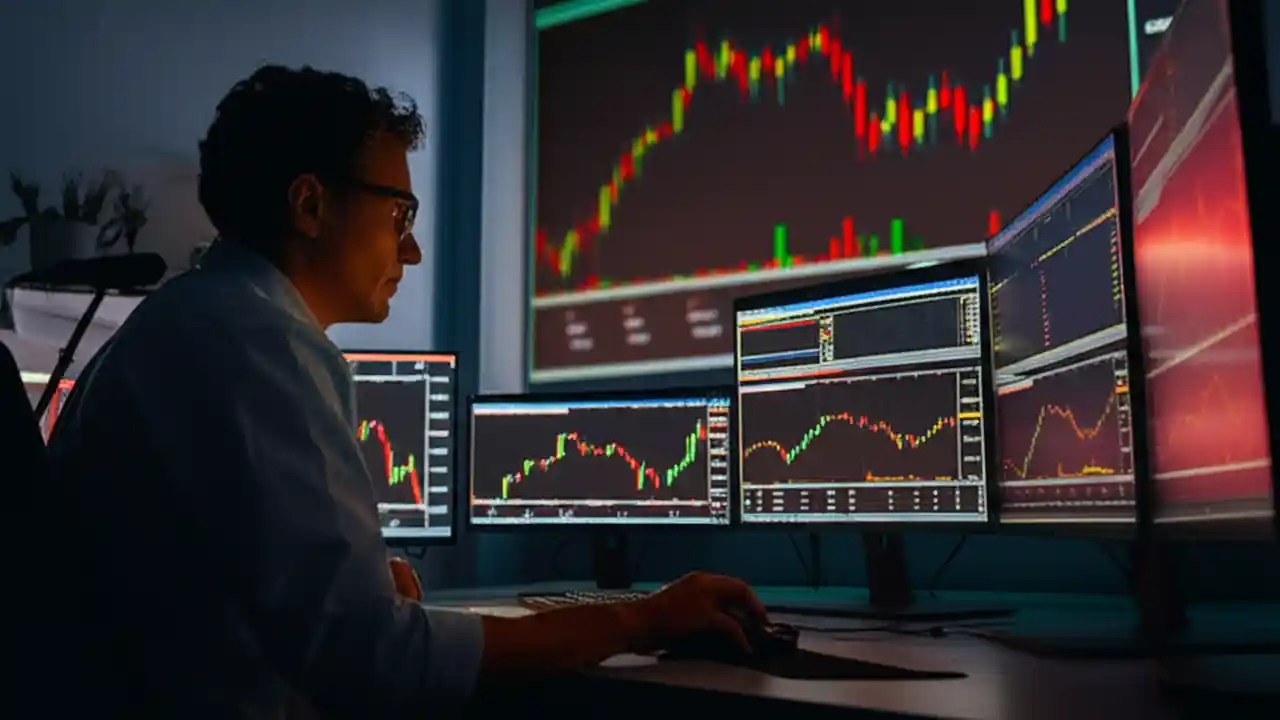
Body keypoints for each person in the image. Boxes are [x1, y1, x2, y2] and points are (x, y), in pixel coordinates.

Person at [43, 65, 767, 718]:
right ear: (310, 205)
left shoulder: (186, 322)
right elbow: (374, 663)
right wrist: (641, 620)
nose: (411, 250)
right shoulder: (260, 345)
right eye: (399, 215)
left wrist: (357, 588)